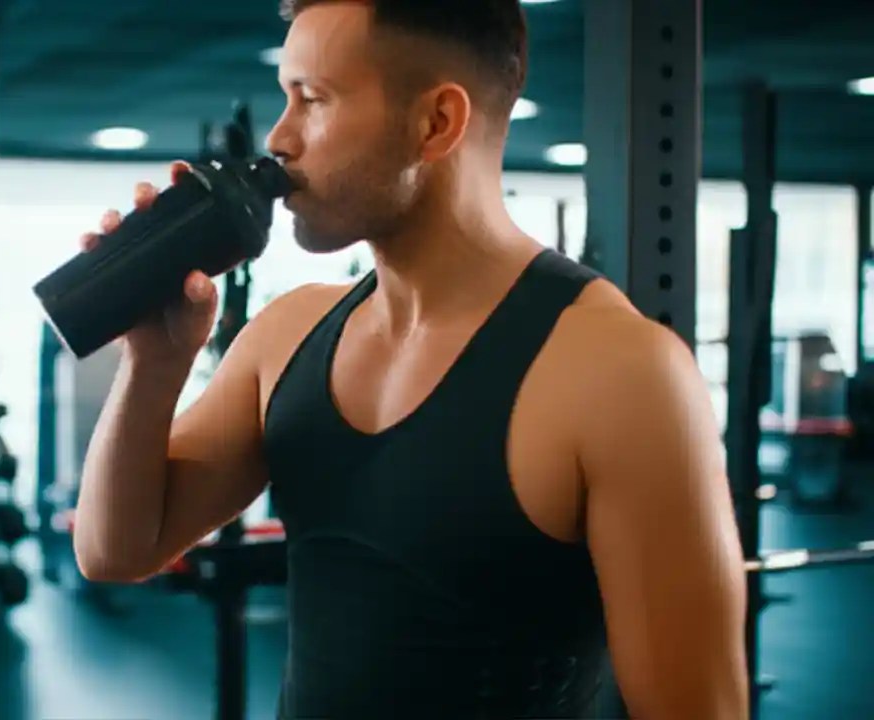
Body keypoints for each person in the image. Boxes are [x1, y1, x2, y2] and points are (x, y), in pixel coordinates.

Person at [72, 1, 749, 717]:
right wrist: (153, 364)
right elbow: (116, 551)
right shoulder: (289, 334)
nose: (279, 137)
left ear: (436, 123)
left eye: (313, 99)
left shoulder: (621, 372)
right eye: (285, 97)